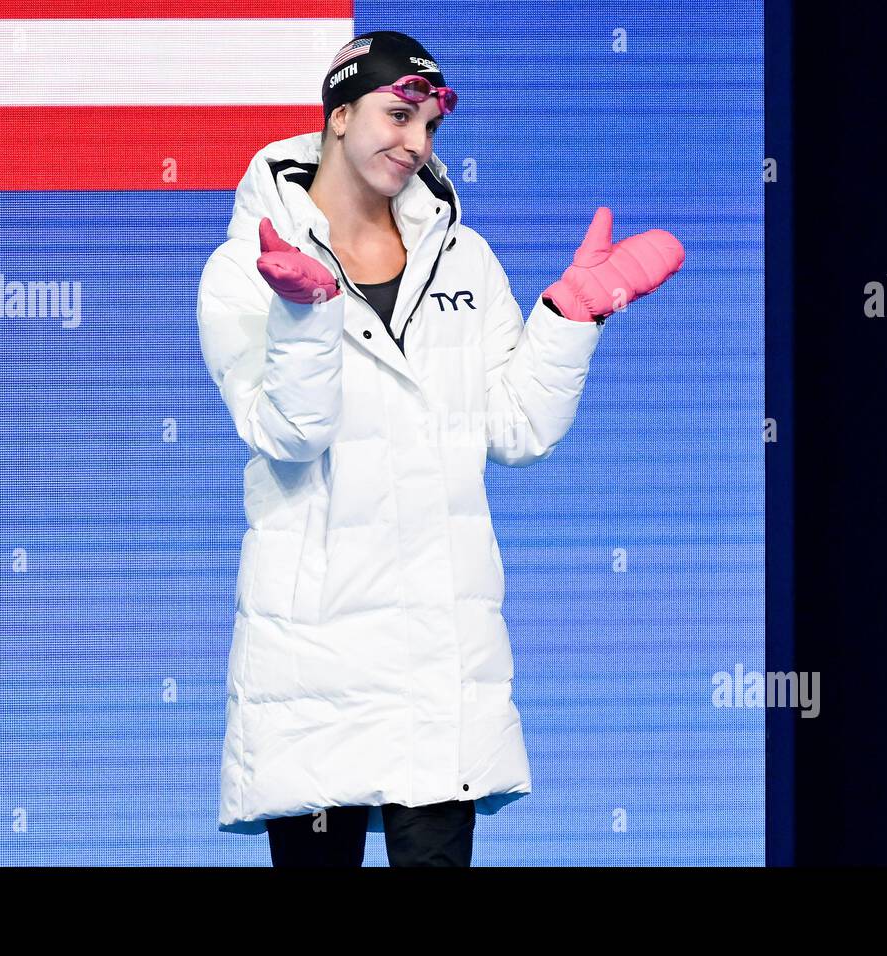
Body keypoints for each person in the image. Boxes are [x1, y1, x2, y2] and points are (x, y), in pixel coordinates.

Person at [195, 30, 684, 866]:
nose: (414, 143)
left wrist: (570, 318)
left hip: (435, 658)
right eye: (396, 114)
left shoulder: (465, 256)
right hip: (313, 661)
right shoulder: (244, 271)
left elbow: (514, 429)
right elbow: (291, 432)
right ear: (338, 116)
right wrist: (306, 318)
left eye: (429, 126)